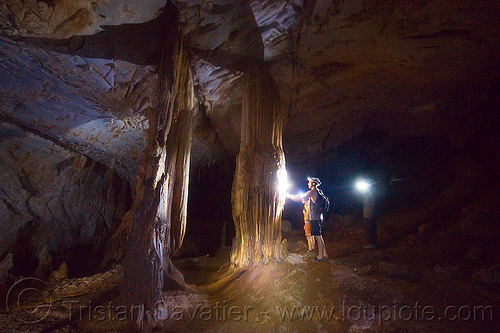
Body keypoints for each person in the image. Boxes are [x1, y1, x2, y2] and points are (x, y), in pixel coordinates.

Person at [287, 177, 329, 261]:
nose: (308, 184)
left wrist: (288, 196)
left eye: (309, 182)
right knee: (320, 236)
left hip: (314, 218)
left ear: (313, 183)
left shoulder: (312, 192)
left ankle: (320, 257)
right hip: (319, 217)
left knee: (317, 237)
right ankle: (324, 254)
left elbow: (299, 198)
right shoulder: (319, 192)